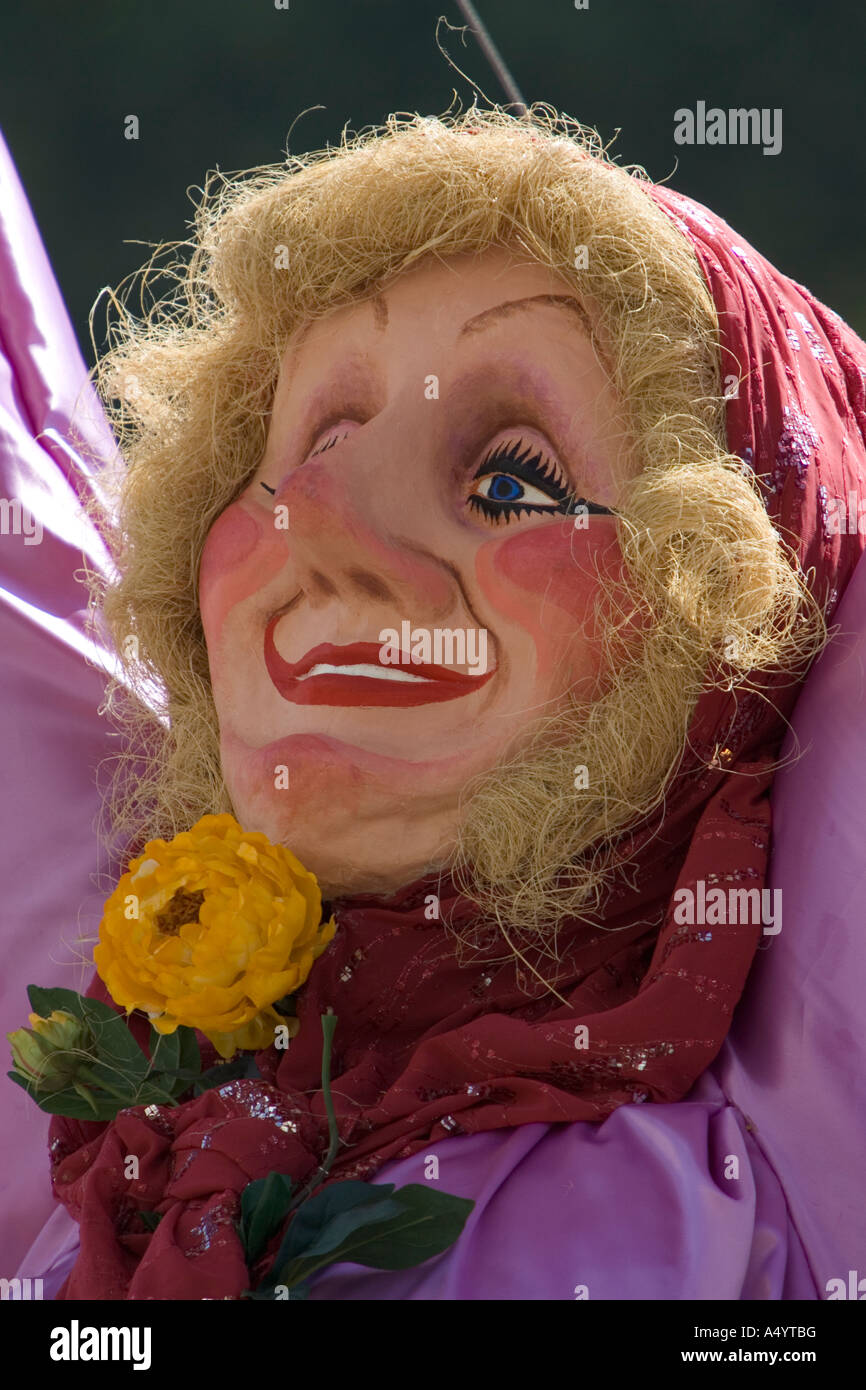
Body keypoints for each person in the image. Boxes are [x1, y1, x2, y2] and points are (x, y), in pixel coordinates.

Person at [4, 106, 866, 1300]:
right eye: (304, 441)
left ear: (731, 628)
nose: (325, 525)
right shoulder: (114, 1102)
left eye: (510, 478)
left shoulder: (779, 1186)